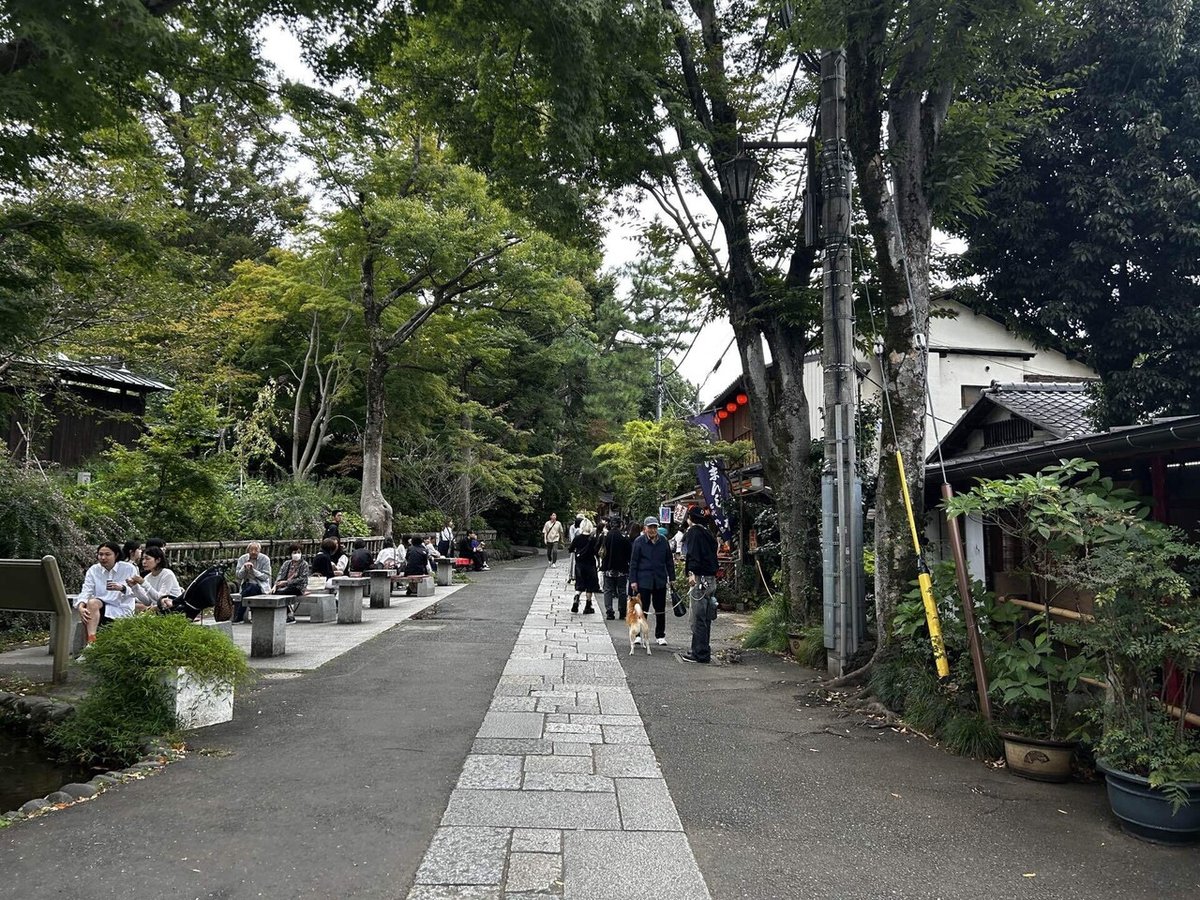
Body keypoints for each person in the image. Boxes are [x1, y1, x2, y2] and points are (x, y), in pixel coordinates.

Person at [74, 542, 139, 648]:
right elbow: (86, 590)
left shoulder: (129, 568)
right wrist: (80, 606)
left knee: (92, 606)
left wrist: (122, 588)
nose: (103, 557)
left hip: (121, 607)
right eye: (100, 554)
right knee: (91, 603)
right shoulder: (94, 570)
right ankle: (91, 643)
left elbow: (136, 592)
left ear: (116, 555)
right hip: (100, 606)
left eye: (107, 554)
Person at [628, 515, 675, 645]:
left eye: (655, 527)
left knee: (660, 608)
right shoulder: (639, 541)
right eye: (650, 527)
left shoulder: (663, 541)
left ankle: (660, 635)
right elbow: (634, 563)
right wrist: (633, 580)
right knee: (641, 609)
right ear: (645, 528)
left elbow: (669, 561)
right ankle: (638, 634)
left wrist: (672, 577)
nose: (653, 530)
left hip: (659, 579)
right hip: (643, 580)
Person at [681, 508, 719, 664]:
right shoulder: (708, 533)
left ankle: (700, 653)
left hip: (700, 579)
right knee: (706, 617)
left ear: (690, 518)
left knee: (698, 617)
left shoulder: (694, 532)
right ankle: (700, 648)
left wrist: (692, 573)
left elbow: (693, 555)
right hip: (710, 579)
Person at [127, 546, 182, 613]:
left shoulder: (167, 574)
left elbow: (160, 599)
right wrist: (134, 587)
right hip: (158, 609)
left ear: (158, 560)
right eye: (143, 559)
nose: (144, 562)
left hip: (173, 608)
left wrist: (144, 583)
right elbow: (147, 602)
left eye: (147, 559)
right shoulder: (148, 577)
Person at [600, 517, 632, 620]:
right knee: (622, 590)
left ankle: (609, 611)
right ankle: (622, 611)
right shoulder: (624, 537)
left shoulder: (606, 536)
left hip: (608, 567)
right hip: (621, 568)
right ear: (621, 525)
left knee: (608, 590)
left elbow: (599, 549)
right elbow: (629, 553)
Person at [232, 541, 271, 624]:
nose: (253, 552)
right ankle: (254, 616)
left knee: (251, 589)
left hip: (260, 586)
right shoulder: (242, 559)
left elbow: (265, 576)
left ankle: (239, 616)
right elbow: (239, 576)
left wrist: (253, 571)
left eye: (256, 550)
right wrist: (244, 568)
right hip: (246, 585)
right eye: (251, 550)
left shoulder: (265, 559)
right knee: (250, 589)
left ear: (259, 551)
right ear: (248, 550)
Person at [272, 543, 310, 623]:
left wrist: (286, 582)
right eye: (294, 552)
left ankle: (289, 615)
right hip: (284, 586)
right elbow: (280, 574)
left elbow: (302, 579)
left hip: (298, 587)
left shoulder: (304, 564)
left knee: (281, 593)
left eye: (298, 552)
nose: (296, 554)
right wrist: (277, 583)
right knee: (274, 592)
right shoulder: (287, 563)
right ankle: (285, 613)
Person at [568, 527, 600, 615]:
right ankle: (588, 605)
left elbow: (570, 549)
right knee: (589, 586)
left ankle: (577, 596)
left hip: (579, 564)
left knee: (579, 583)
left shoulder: (577, 538)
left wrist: (577, 551)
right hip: (590, 564)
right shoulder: (593, 539)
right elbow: (596, 552)